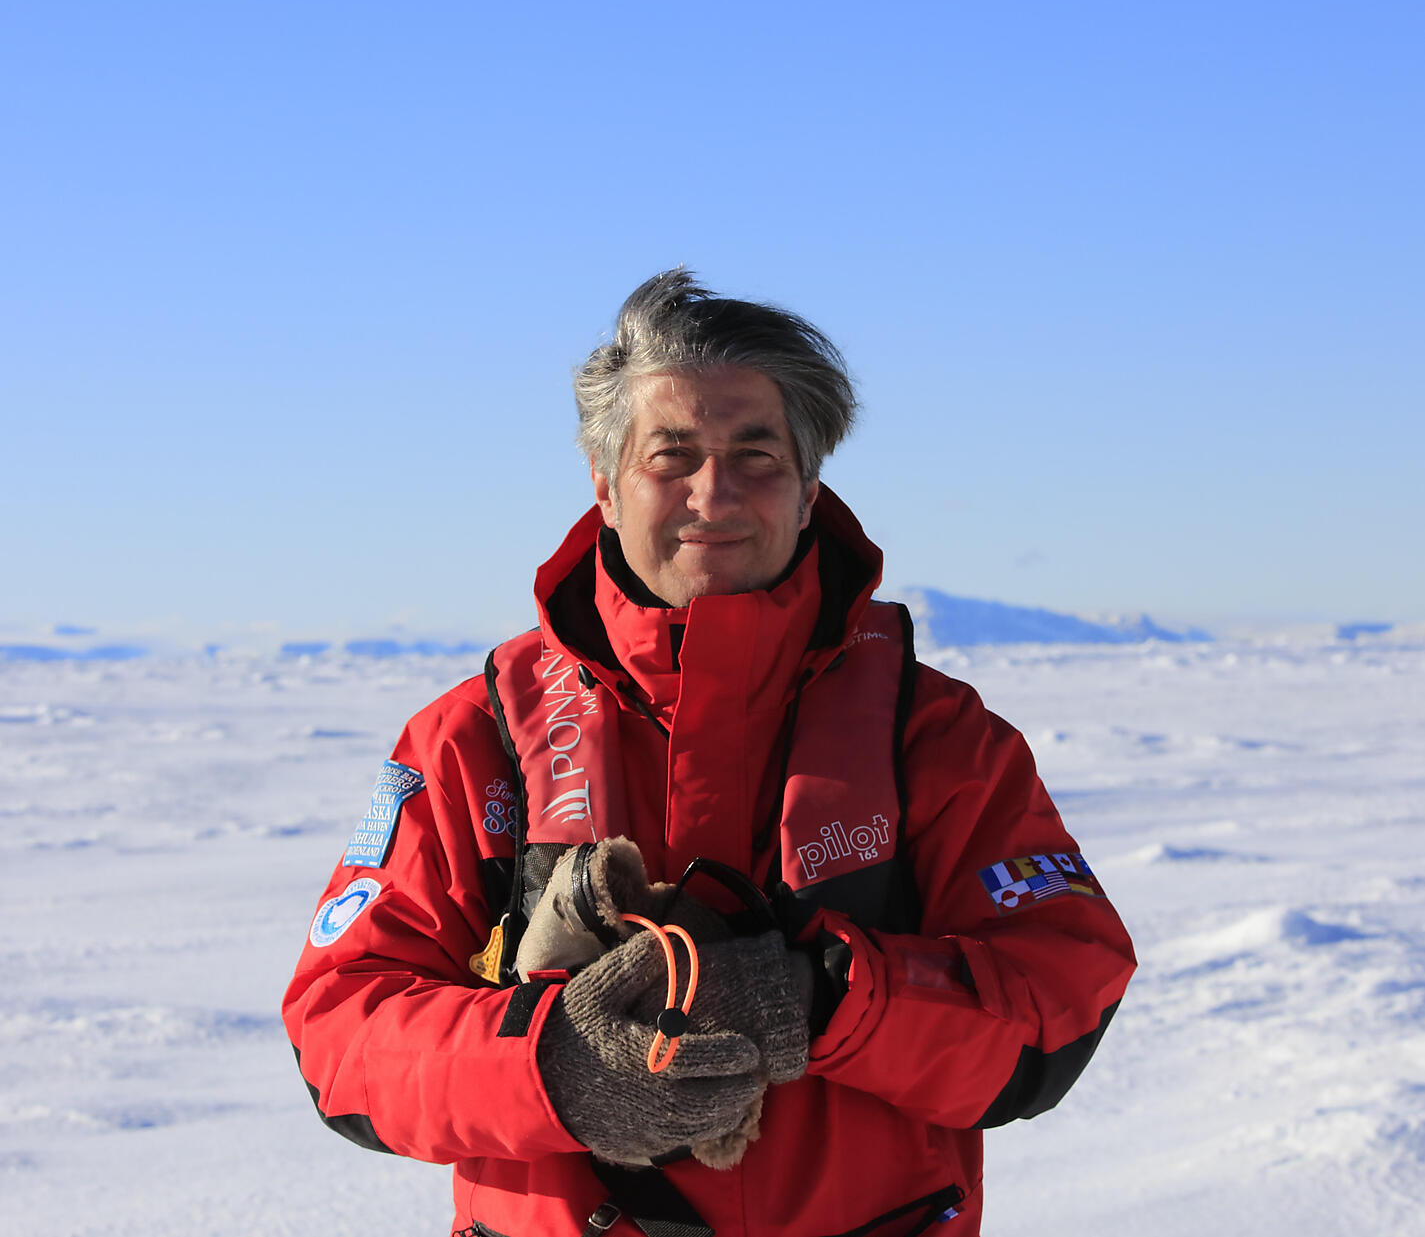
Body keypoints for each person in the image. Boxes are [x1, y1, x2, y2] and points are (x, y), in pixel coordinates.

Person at [283, 270, 1136, 1236]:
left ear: (811, 488)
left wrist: (824, 999)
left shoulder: (932, 737)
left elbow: (1061, 997)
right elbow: (339, 1030)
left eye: (756, 453)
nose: (713, 492)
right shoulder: (478, 740)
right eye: (671, 453)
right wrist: (551, 1063)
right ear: (604, 484)